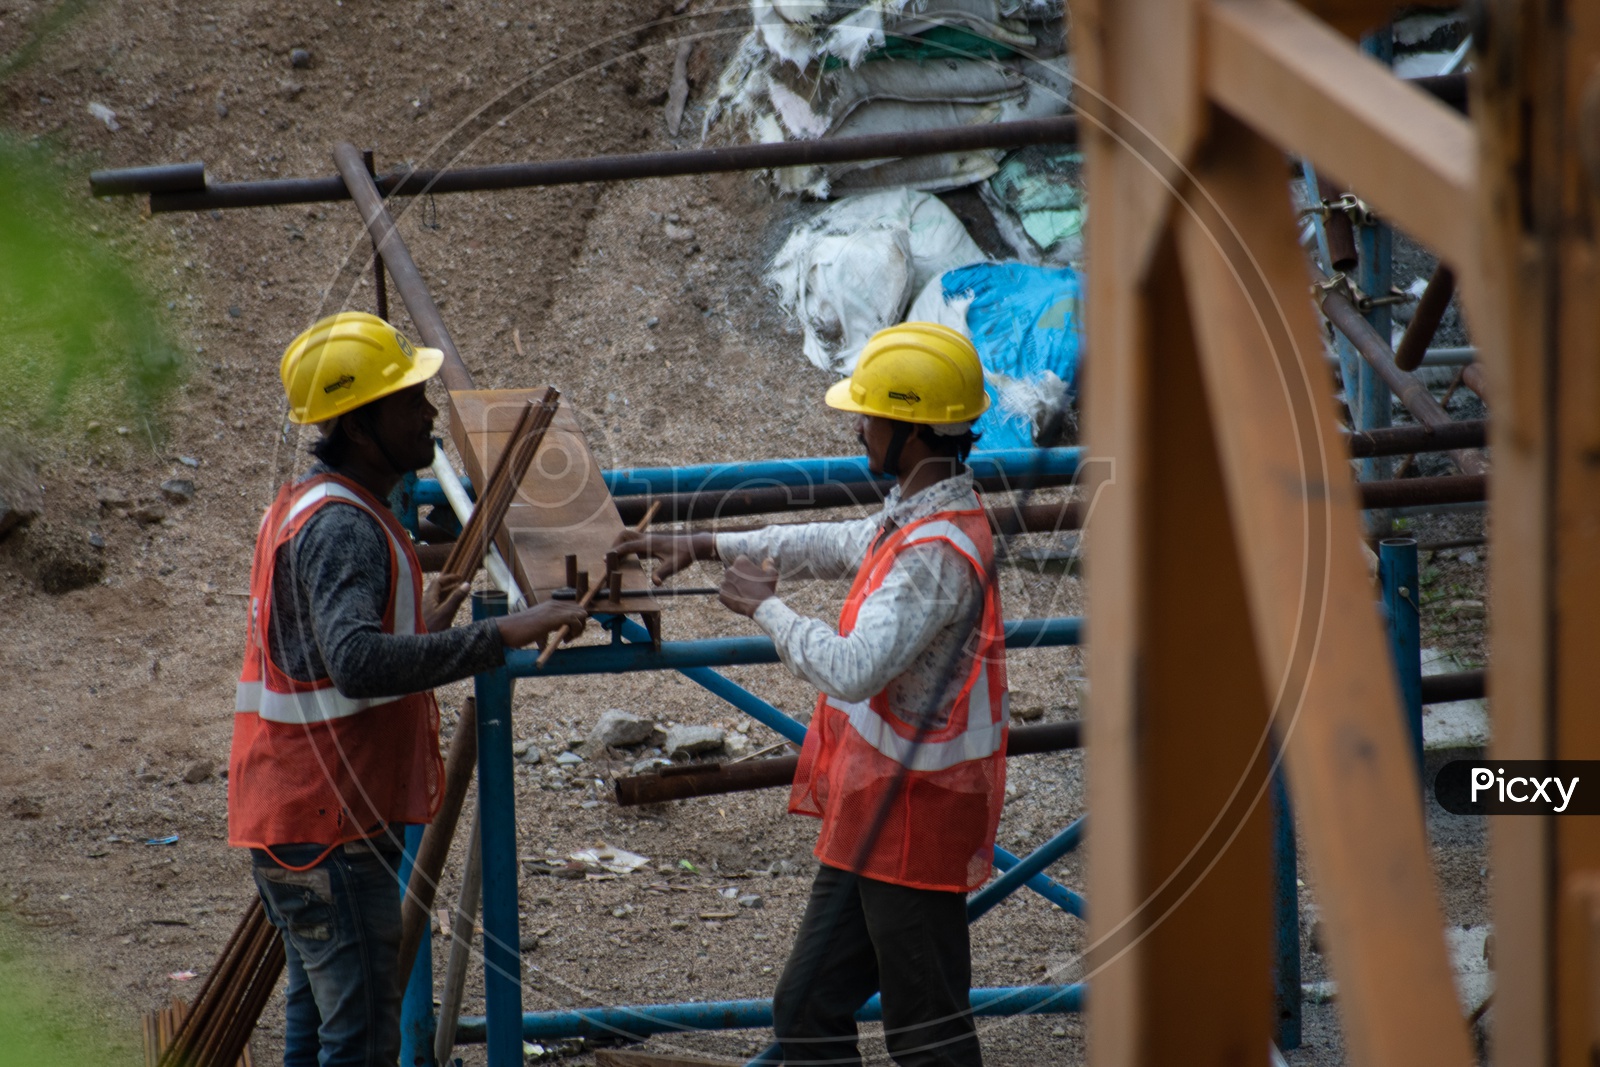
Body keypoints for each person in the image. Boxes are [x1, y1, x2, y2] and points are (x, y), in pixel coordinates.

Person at [615, 322, 1007, 1067]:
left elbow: (854, 668)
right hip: (880, 808)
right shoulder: (920, 513)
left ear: (912, 432)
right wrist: (708, 544)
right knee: (805, 1008)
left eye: (871, 417)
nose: (859, 428)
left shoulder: (937, 551)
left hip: (915, 816)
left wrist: (765, 608)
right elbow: (834, 542)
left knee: (929, 1037)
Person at [229, 312, 589, 1067]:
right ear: (360, 427)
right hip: (332, 826)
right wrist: (509, 631)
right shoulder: (342, 526)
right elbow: (357, 663)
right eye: (409, 402)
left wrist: (421, 626)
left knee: (315, 1029)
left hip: (297, 815)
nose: (428, 413)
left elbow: (320, 652)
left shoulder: (309, 505)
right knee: (360, 1040)